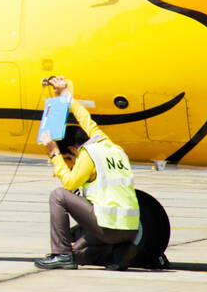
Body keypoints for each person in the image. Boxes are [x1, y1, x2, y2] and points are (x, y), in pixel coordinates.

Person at [35, 75, 140, 270]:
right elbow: (85, 119)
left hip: (108, 227)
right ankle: (118, 252)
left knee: (58, 196)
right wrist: (65, 94)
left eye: (70, 162)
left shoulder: (88, 153)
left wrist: (54, 153)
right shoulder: (110, 145)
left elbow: (69, 184)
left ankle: (61, 255)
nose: (72, 165)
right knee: (79, 251)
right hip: (131, 228)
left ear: (74, 150)